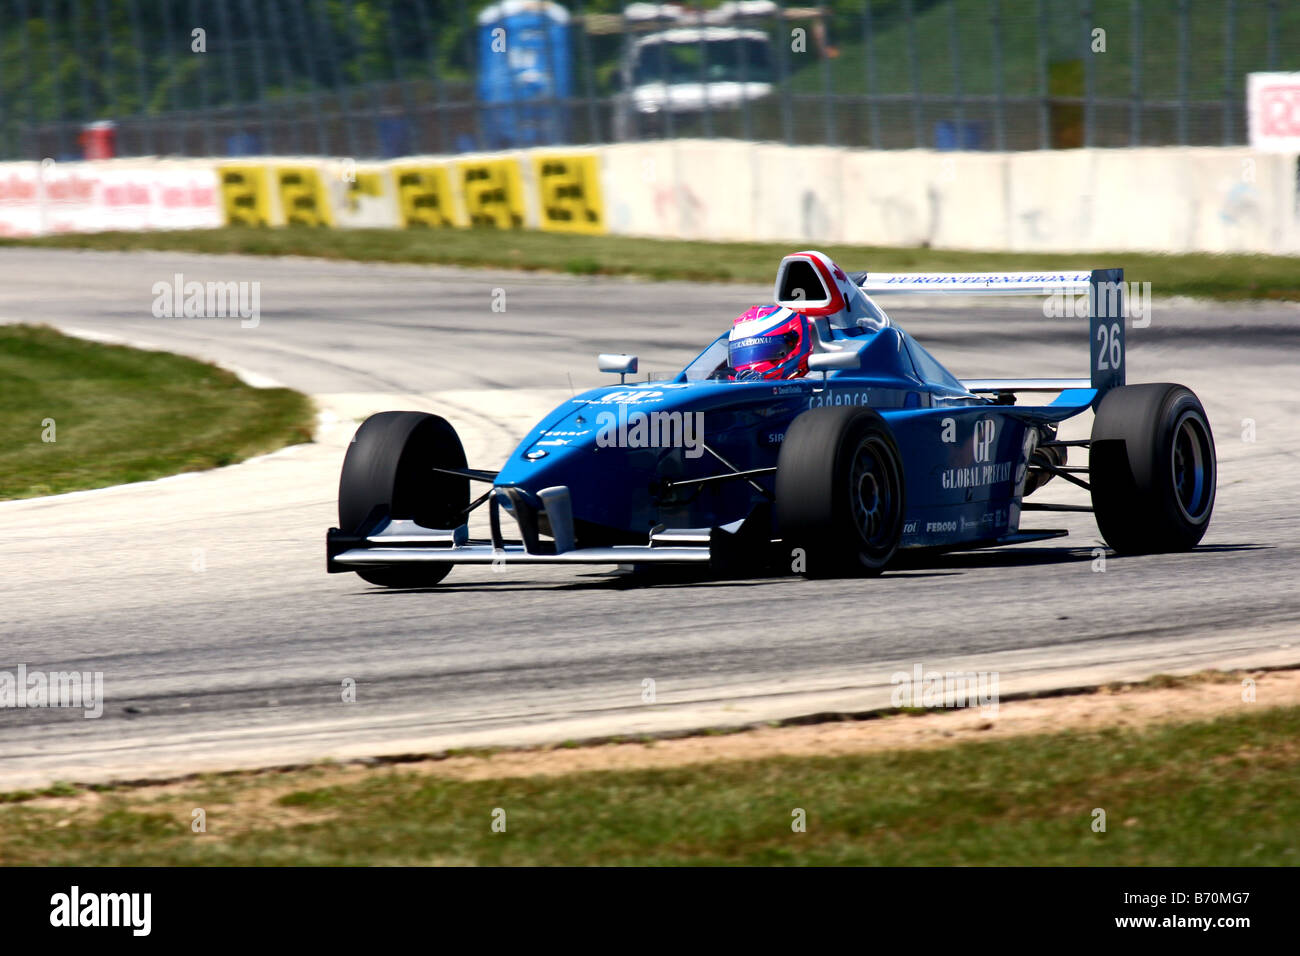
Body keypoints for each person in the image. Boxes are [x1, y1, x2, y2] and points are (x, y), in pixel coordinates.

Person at [727, 305, 812, 380]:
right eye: (740, 356)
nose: (747, 371)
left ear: (793, 344)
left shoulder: (820, 381)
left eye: (762, 353)